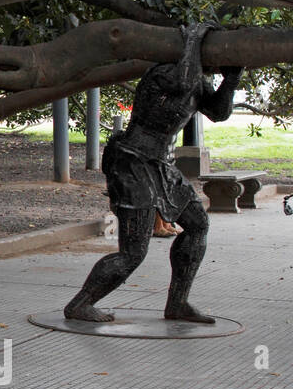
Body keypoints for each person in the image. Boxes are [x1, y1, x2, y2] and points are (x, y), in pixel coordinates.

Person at [64, 23, 243, 324]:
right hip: (132, 163)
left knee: (198, 225)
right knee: (134, 252)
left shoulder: (196, 79)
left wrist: (232, 77)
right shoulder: (164, 73)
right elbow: (184, 83)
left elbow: (219, 112)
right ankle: (79, 304)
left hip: (161, 164)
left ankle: (178, 303)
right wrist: (195, 38)